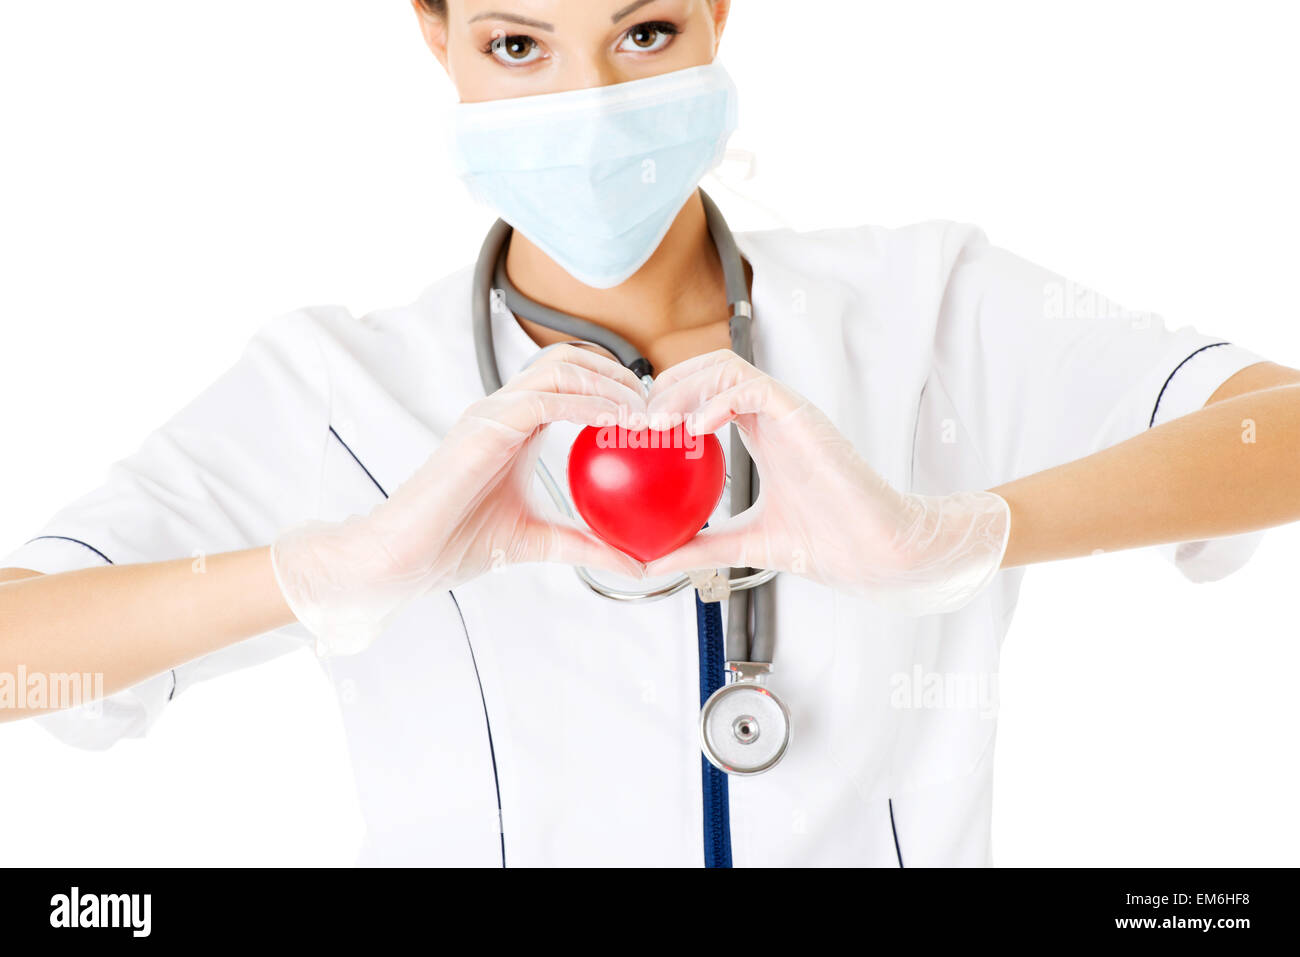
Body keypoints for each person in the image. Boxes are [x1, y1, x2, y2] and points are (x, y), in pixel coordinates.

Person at [3, 0, 1298, 867]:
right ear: (435, 35)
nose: (590, 105)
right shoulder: (337, 394)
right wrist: (311, 575)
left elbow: (1280, 433)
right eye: (519, 46)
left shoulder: (924, 308)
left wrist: (966, 538)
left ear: (718, 13)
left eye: (645, 30)